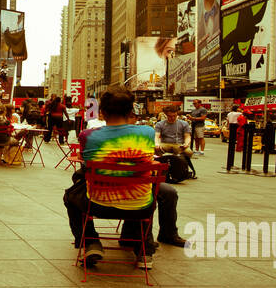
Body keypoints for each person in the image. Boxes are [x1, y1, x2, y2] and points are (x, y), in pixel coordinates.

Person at [64, 86, 186, 271]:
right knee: (154, 191)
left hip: (98, 203)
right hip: (141, 205)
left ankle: (91, 242)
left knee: (70, 196)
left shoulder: (87, 136)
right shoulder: (147, 132)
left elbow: (86, 164)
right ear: (130, 111)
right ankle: (144, 249)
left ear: (102, 112)